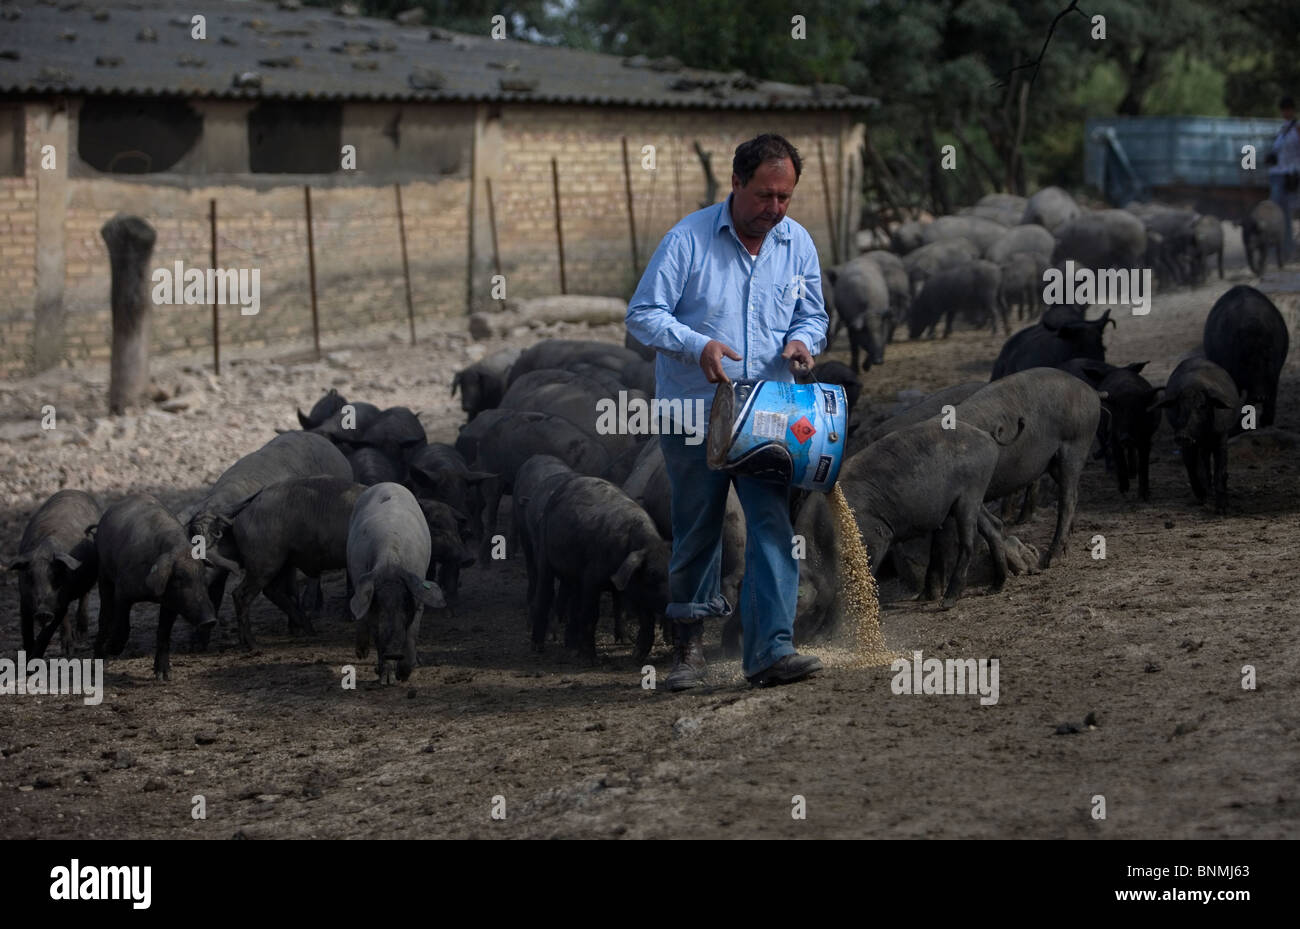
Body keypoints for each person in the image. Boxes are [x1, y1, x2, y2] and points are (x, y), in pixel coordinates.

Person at [625, 134, 830, 691]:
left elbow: (813, 315)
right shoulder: (686, 240)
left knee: (771, 525)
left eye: (785, 198)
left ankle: (770, 651)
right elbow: (642, 314)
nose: (775, 209)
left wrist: (802, 342)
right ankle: (689, 650)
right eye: (765, 195)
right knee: (698, 528)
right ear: (735, 183)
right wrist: (699, 346)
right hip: (696, 409)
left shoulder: (797, 243)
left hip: (770, 409)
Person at [1267, 96, 1300, 263]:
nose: (1286, 112)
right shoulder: (1281, 130)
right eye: (1284, 109)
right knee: (1275, 212)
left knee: (1285, 214)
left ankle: (1287, 250)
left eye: (1288, 109)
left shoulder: (1296, 129)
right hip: (1276, 174)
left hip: (1290, 175)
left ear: (1293, 110)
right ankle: (1277, 249)